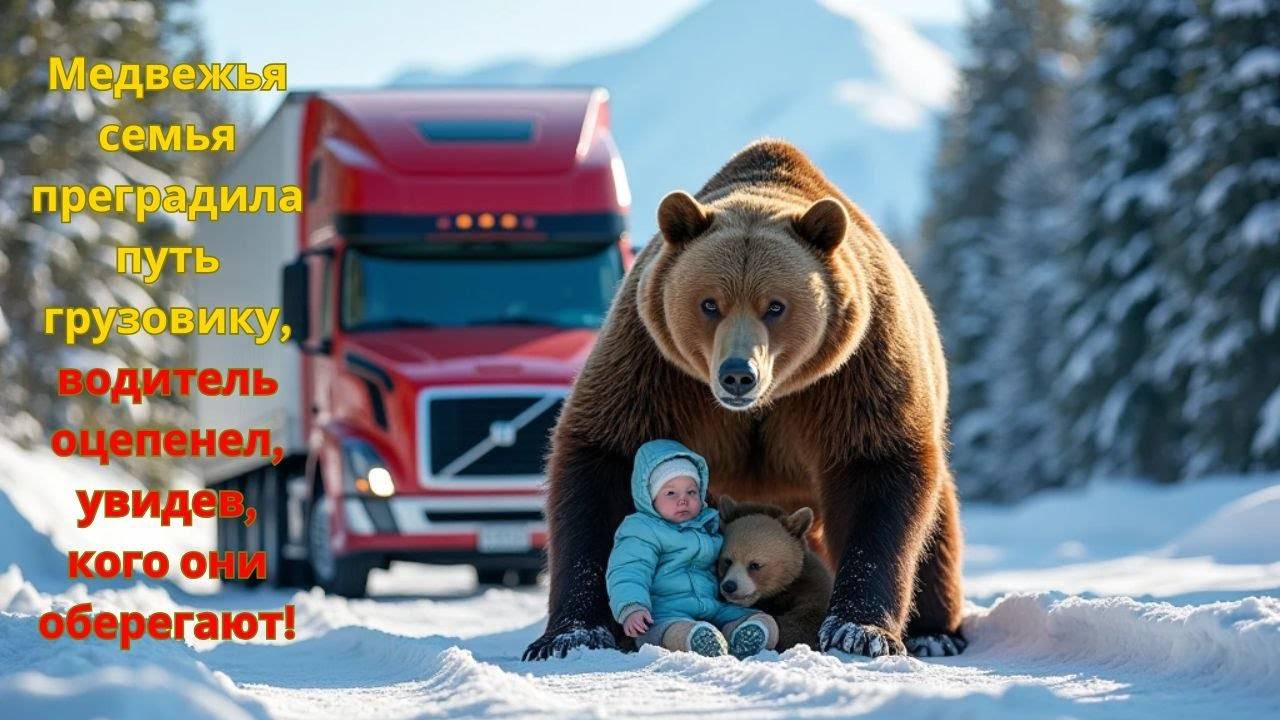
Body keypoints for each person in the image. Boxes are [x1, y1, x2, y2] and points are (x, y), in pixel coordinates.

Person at [606, 439, 778, 657]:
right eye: (671, 493)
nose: (683, 500)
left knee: (759, 618)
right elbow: (628, 571)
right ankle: (694, 641)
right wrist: (632, 607)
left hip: (710, 609)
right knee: (672, 632)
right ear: (650, 497)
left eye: (691, 492)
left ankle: (745, 635)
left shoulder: (708, 526)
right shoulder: (642, 530)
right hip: (663, 615)